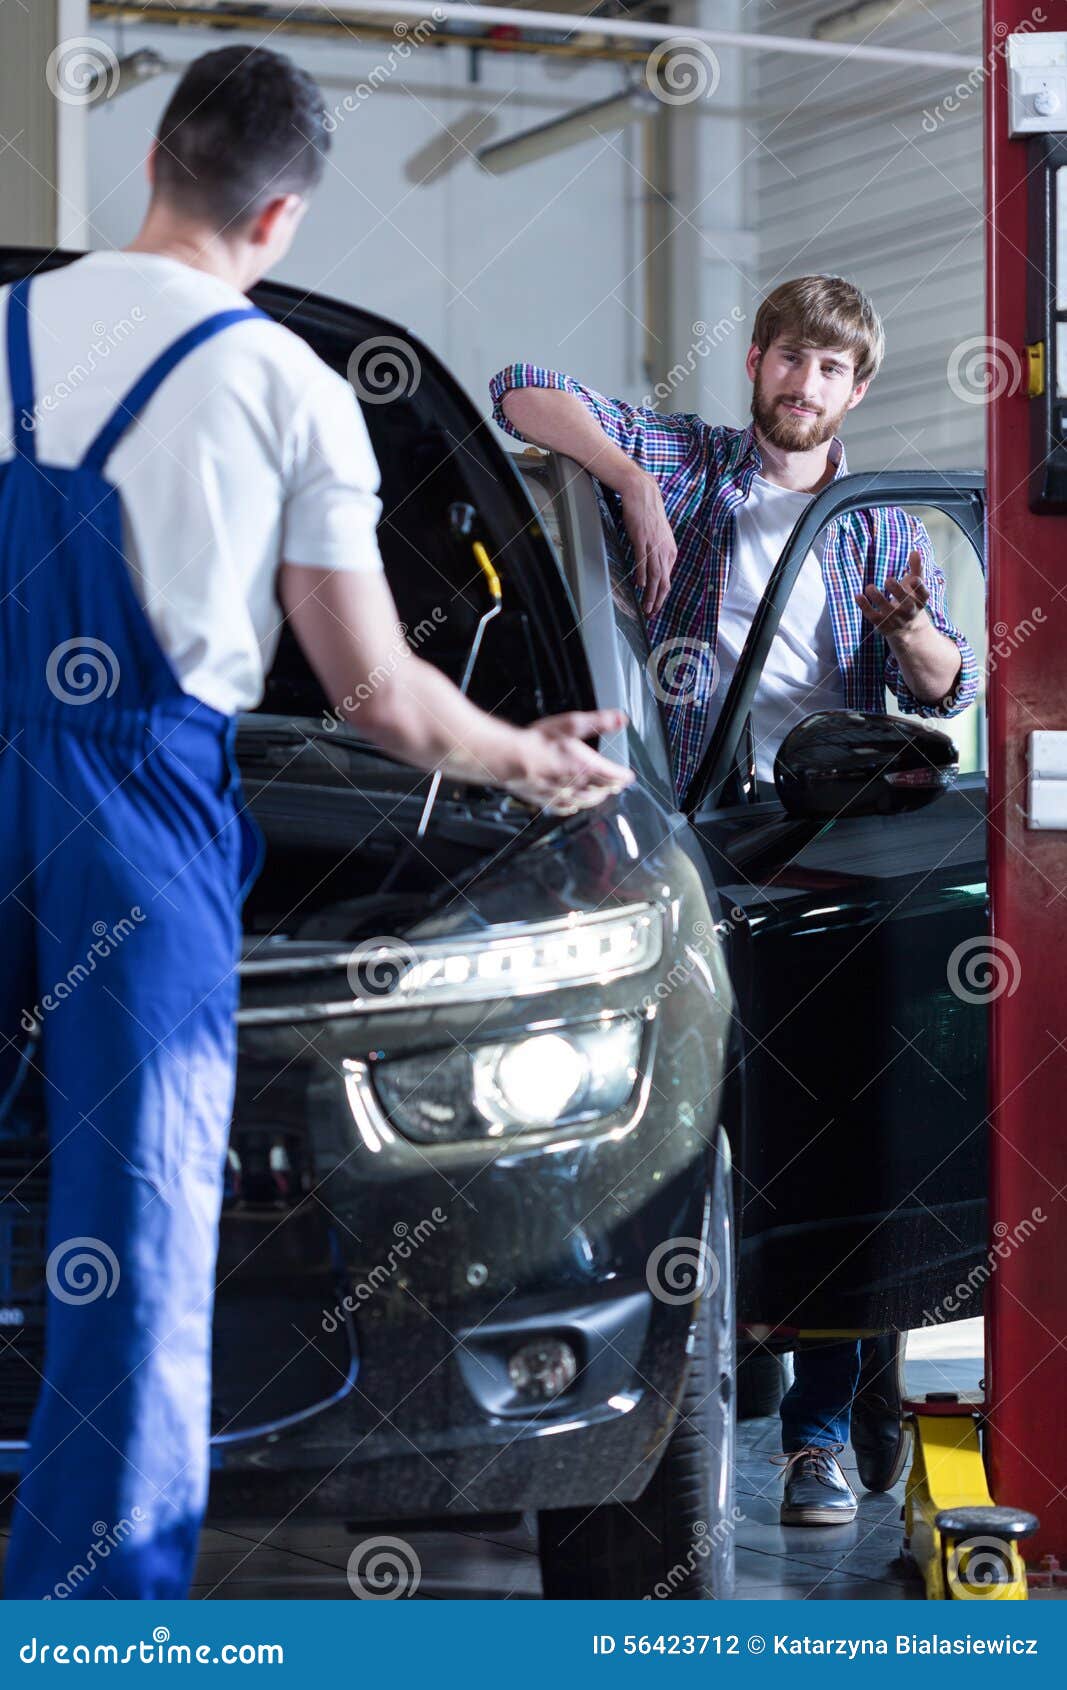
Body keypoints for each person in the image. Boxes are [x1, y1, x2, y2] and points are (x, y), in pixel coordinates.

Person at [0, 45, 631, 1601]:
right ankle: (92, 1621)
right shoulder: (286, 386)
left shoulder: (4, 328)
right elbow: (378, 700)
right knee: (137, 1248)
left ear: (154, 156)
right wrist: (521, 756)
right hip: (134, 822)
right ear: (280, 215)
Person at [488, 273, 978, 1527]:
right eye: (787, 360)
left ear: (853, 390)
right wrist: (634, 485)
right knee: (706, 1116)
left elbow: (943, 690)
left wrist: (913, 635)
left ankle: (822, 1423)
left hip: (827, 852)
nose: (802, 387)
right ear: (753, 360)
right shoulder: (691, 464)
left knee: (832, 1112)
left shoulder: (878, 528)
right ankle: (751, 1373)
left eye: (829, 371)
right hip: (702, 836)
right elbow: (516, 393)